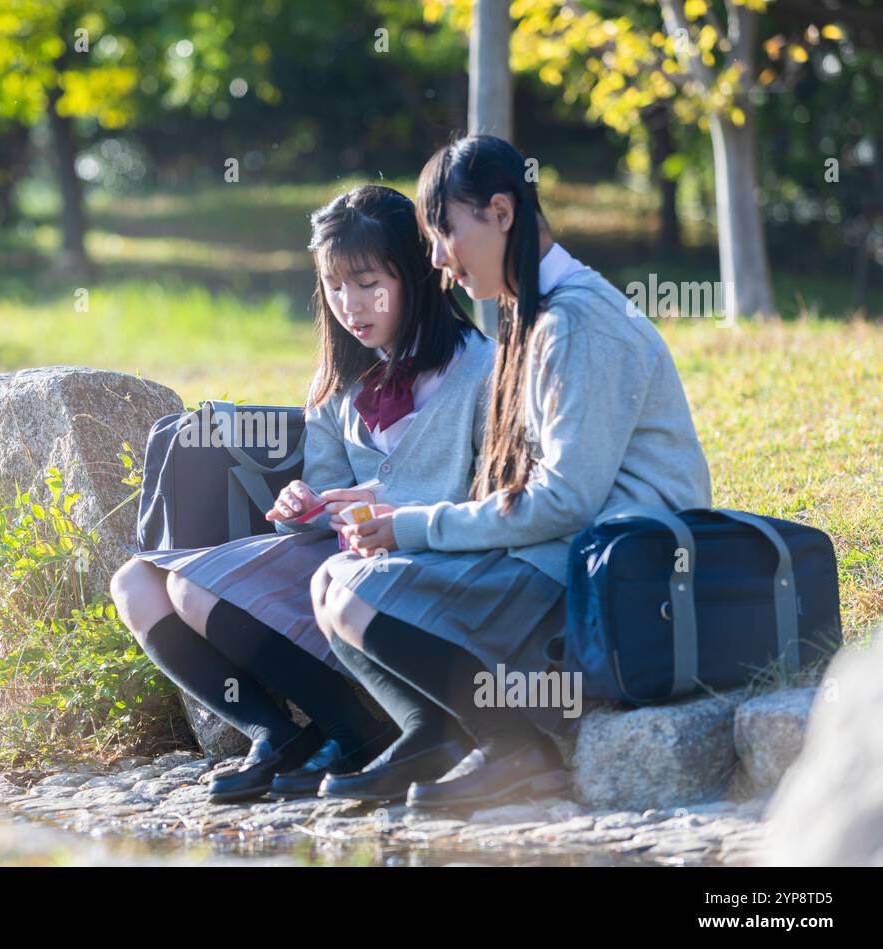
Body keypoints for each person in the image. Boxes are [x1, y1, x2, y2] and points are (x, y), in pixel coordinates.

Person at [313, 135, 712, 808]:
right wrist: (390, 509)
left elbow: (566, 502)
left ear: (500, 212)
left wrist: (412, 526)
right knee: (333, 579)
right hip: (560, 547)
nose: (437, 260)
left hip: (614, 566)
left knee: (356, 594)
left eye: (444, 234)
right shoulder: (535, 313)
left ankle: (516, 750)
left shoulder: (577, 324)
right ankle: (431, 736)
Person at [109, 183, 495, 801]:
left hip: (426, 557)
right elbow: (326, 489)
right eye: (335, 286)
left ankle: (352, 728)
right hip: (344, 552)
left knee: (188, 584)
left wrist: (390, 504)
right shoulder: (342, 380)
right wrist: (303, 505)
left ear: (419, 271)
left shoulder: (480, 370)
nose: (351, 304)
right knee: (134, 583)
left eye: (370, 283)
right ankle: (276, 732)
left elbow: (489, 493)